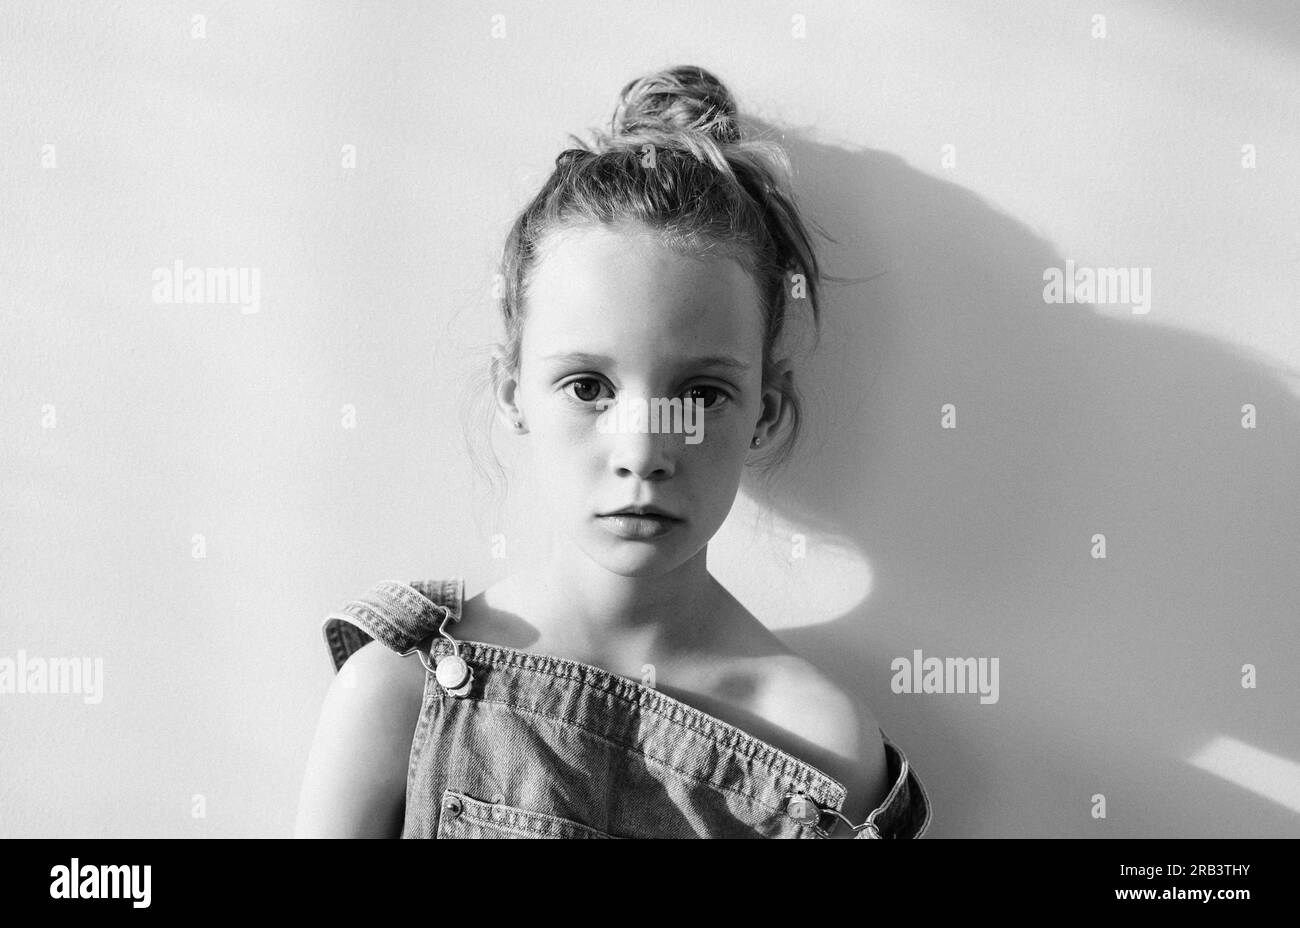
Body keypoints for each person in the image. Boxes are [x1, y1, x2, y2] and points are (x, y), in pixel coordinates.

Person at [295, 64, 932, 839]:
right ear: (512, 393)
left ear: (764, 412)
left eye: (700, 395)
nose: (643, 452)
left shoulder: (821, 756)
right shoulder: (399, 695)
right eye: (589, 387)